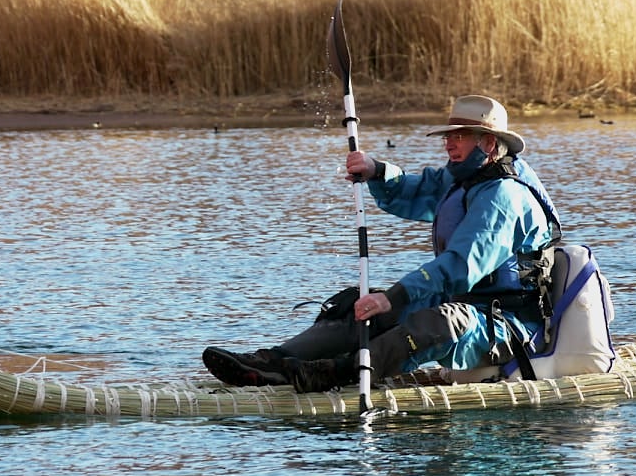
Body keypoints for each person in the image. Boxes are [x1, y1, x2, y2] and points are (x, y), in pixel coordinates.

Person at [202, 94, 561, 393]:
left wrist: (395, 295)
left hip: (507, 325)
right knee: (351, 305)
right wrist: (376, 169)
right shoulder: (466, 178)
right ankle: (271, 363)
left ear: (489, 143)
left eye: (461, 135)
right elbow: (416, 189)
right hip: (470, 307)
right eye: (448, 136)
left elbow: (462, 266)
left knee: (436, 321)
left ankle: (335, 373)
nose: (450, 143)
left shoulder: (504, 196)